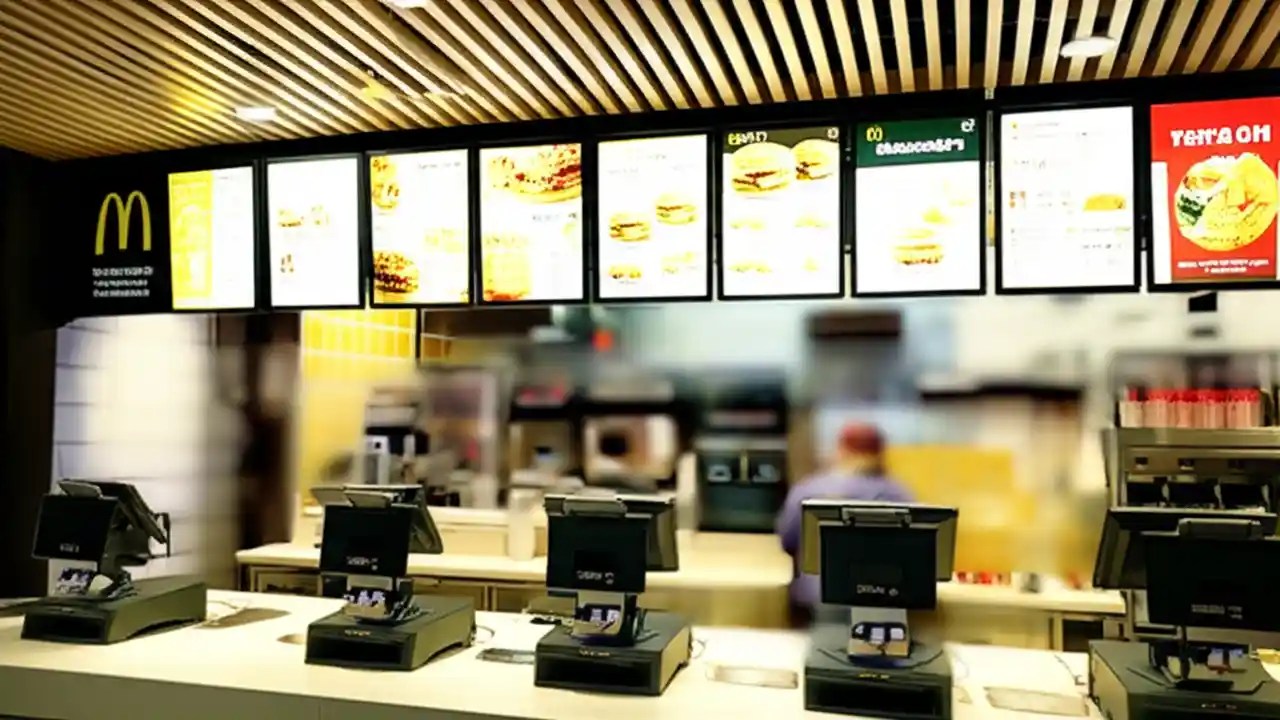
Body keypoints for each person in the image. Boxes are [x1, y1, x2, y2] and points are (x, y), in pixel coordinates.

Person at [776, 422, 914, 624]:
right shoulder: (898, 494)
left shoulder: (809, 489)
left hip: (817, 600)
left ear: (841, 450)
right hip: (883, 602)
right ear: (880, 453)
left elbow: (787, 540)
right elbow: (912, 553)